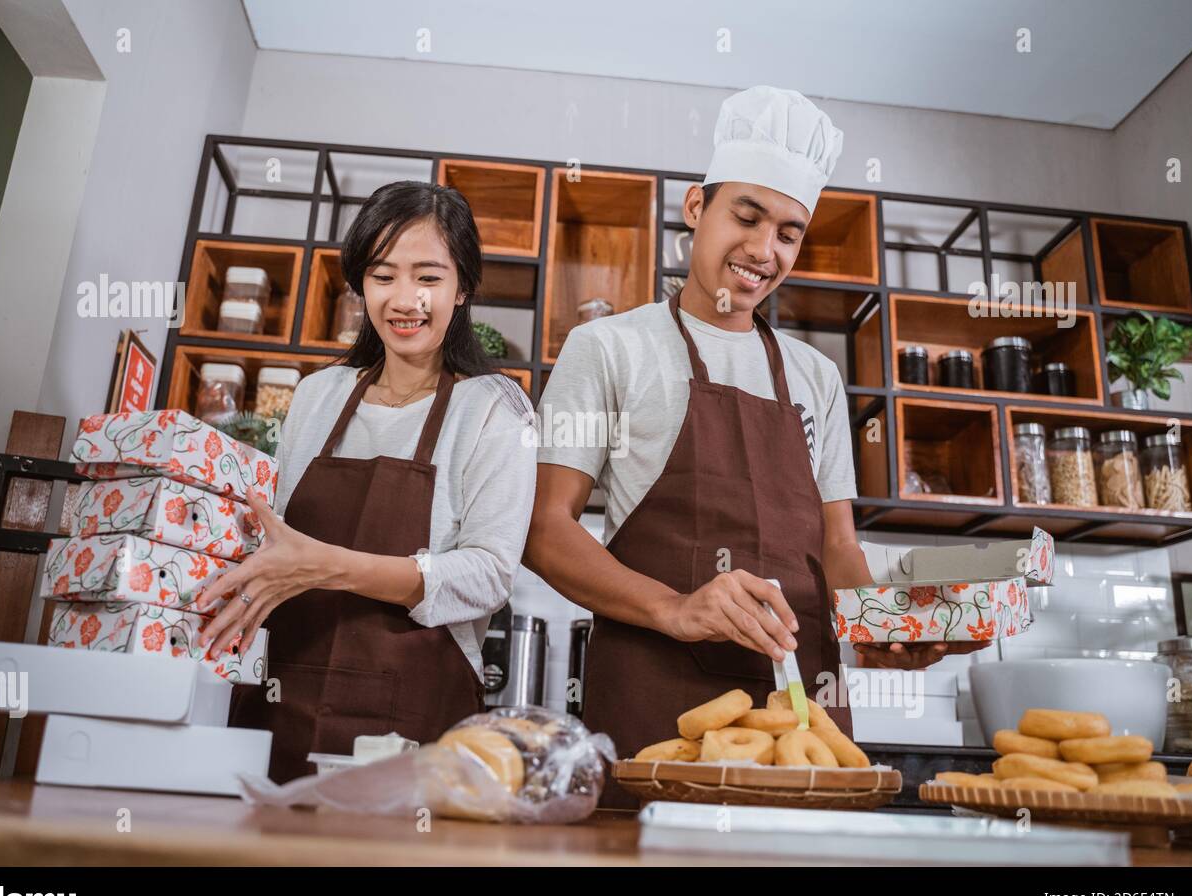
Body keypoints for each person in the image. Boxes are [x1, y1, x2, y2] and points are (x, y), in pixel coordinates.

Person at [525, 87, 986, 804]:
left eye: (789, 232)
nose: (763, 250)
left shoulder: (816, 376)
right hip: (657, 704)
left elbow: (838, 549)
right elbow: (544, 529)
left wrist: (886, 628)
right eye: (747, 216)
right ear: (695, 209)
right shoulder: (608, 348)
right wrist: (675, 608)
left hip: (804, 710)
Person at [202, 180, 537, 782]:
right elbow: (276, 544)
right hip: (281, 691)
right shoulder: (317, 395)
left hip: (412, 711)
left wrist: (328, 565)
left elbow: (489, 575)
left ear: (463, 288)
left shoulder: (494, 408)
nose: (405, 299)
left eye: (429, 277)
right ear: (361, 284)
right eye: (384, 276)